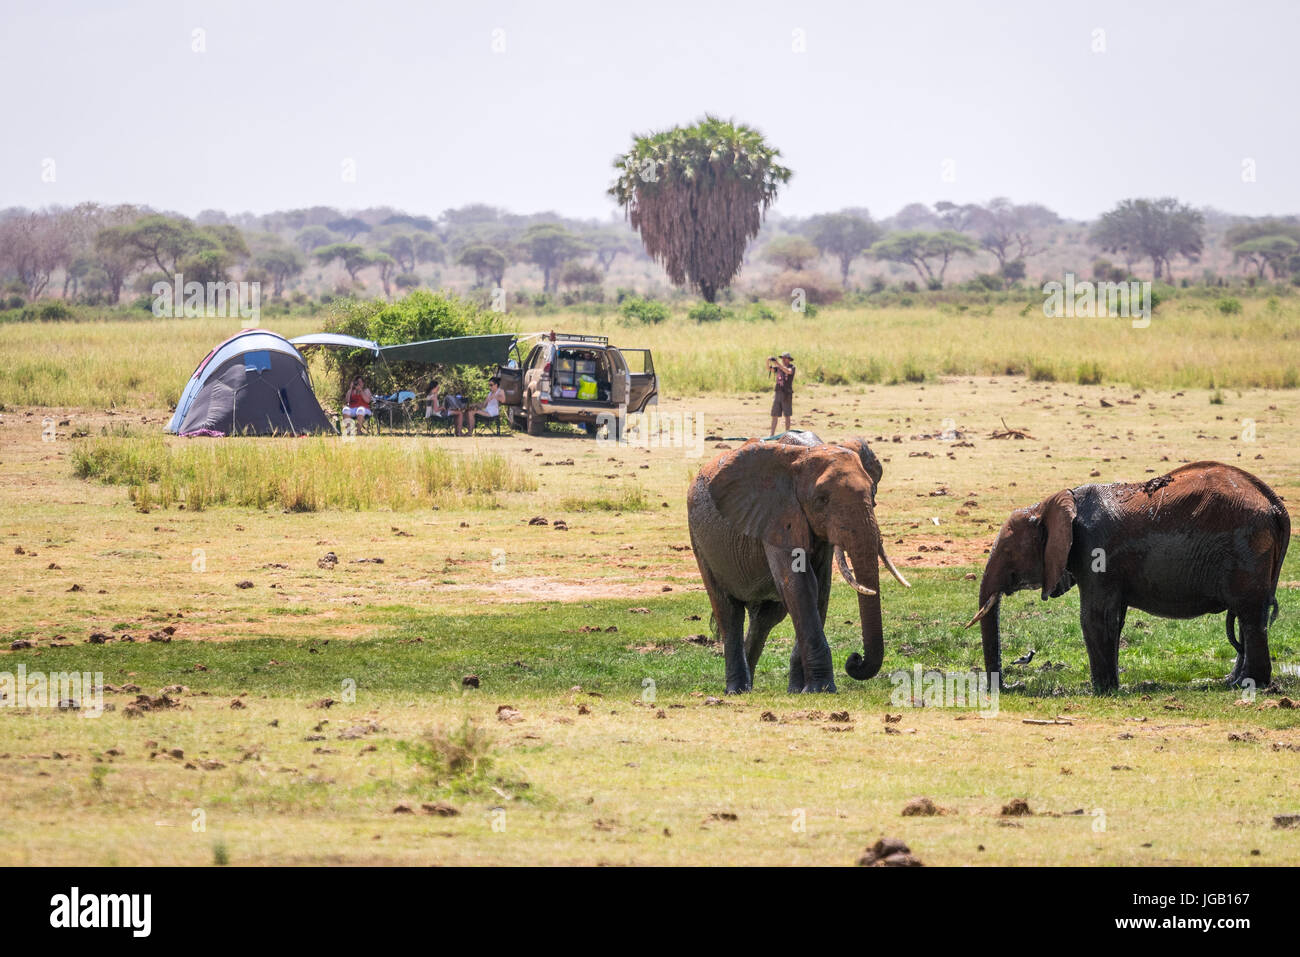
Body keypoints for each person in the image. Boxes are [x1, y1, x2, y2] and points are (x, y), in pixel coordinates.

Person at [769, 352, 795, 435]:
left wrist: (777, 363)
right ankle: (772, 434)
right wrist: (768, 361)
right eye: (782, 358)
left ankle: (787, 433)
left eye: (785, 358)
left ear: (789, 359)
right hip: (778, 392)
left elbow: (788, 371)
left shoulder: (792, 367)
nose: (783, 359)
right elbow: (769, 369)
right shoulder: (779, 367)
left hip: (786, 393)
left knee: (787, 415)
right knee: (774, 414)